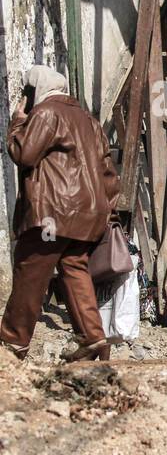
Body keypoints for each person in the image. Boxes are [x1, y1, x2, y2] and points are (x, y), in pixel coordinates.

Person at [1, 66, 120, 361]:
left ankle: (11, 344)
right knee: (74, 268)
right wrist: (110, 212)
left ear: (34, 91)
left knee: (31, 271)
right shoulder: (88, 120)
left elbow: (23, 154)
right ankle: (93, 339)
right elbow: (108, 172)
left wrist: (17, 121)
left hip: (53, 214)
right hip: (88, 215)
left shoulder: (46, 113)